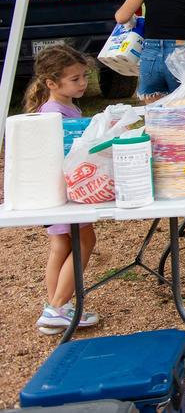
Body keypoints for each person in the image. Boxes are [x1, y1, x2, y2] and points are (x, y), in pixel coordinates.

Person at [23, 45, 101, 334]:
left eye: (83, 77)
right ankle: (57, 307)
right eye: (75, 79)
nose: (82, 83)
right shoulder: (55, 113)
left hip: (55, 190)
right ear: (51, 83)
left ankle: (57, 306)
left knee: (60, 246)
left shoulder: (61, 106)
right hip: (67, 191)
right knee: (84, 242)